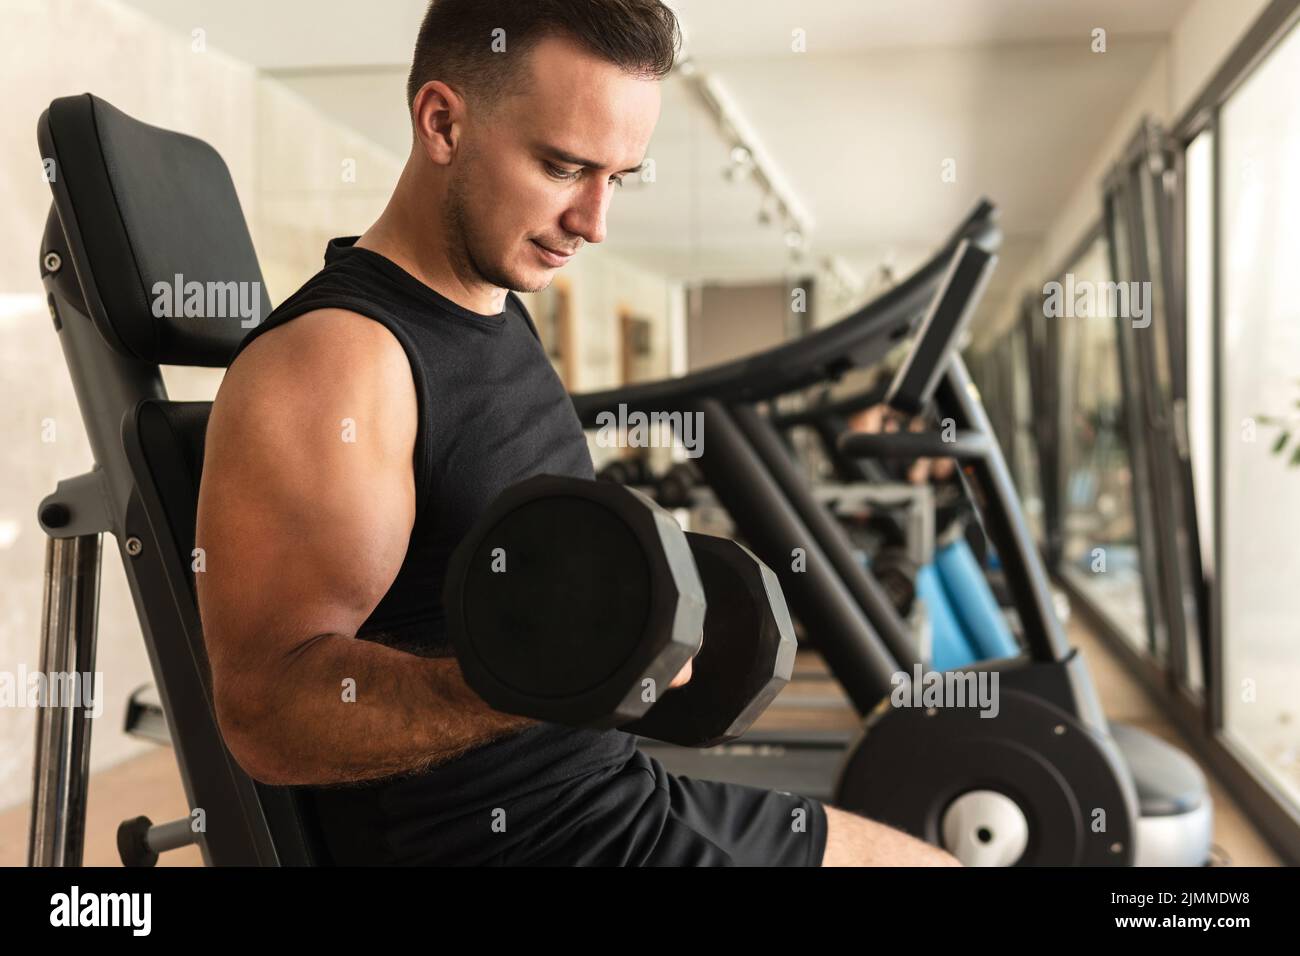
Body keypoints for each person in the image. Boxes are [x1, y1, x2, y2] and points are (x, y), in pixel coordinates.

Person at [196, 0, 958, 867]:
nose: (595, 222)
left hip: (617, 799)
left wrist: (631, 633)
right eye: (564, 167)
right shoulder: (341, 362)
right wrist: (556, 677)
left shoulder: (494, 312)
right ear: (442, 121)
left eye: (618, 177)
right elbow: (268, 712)